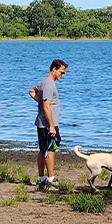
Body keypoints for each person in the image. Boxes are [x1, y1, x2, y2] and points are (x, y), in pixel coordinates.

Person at [28, 59, 68, 187]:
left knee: (43, 149)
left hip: (42, 123)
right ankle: (50, 179)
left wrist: (39, 101)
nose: (62, 75)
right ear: (54, 69)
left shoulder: (44, 82)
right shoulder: (49, 84)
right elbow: (46, 107)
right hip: (48, 124)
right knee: (51, 149)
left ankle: (41, 178)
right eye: (61, 72)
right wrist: (51, 126)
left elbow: (31, 91)